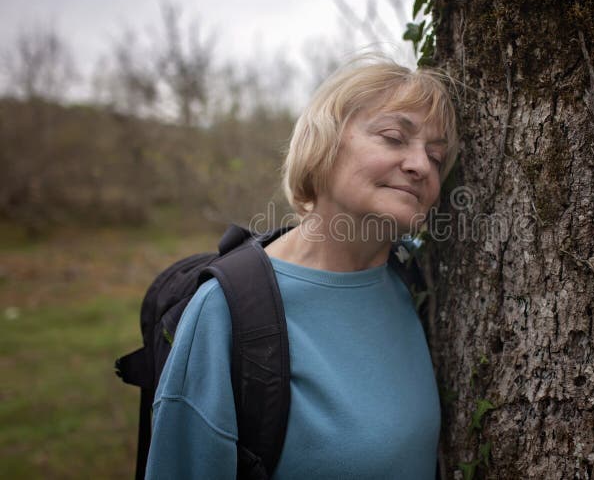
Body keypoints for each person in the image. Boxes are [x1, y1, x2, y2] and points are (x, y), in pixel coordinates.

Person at [144, 54, 459, 479]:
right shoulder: (226, 311)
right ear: (324, 142)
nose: (421, 165)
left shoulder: (415, 285)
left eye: (436, 157)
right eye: (393, 137)